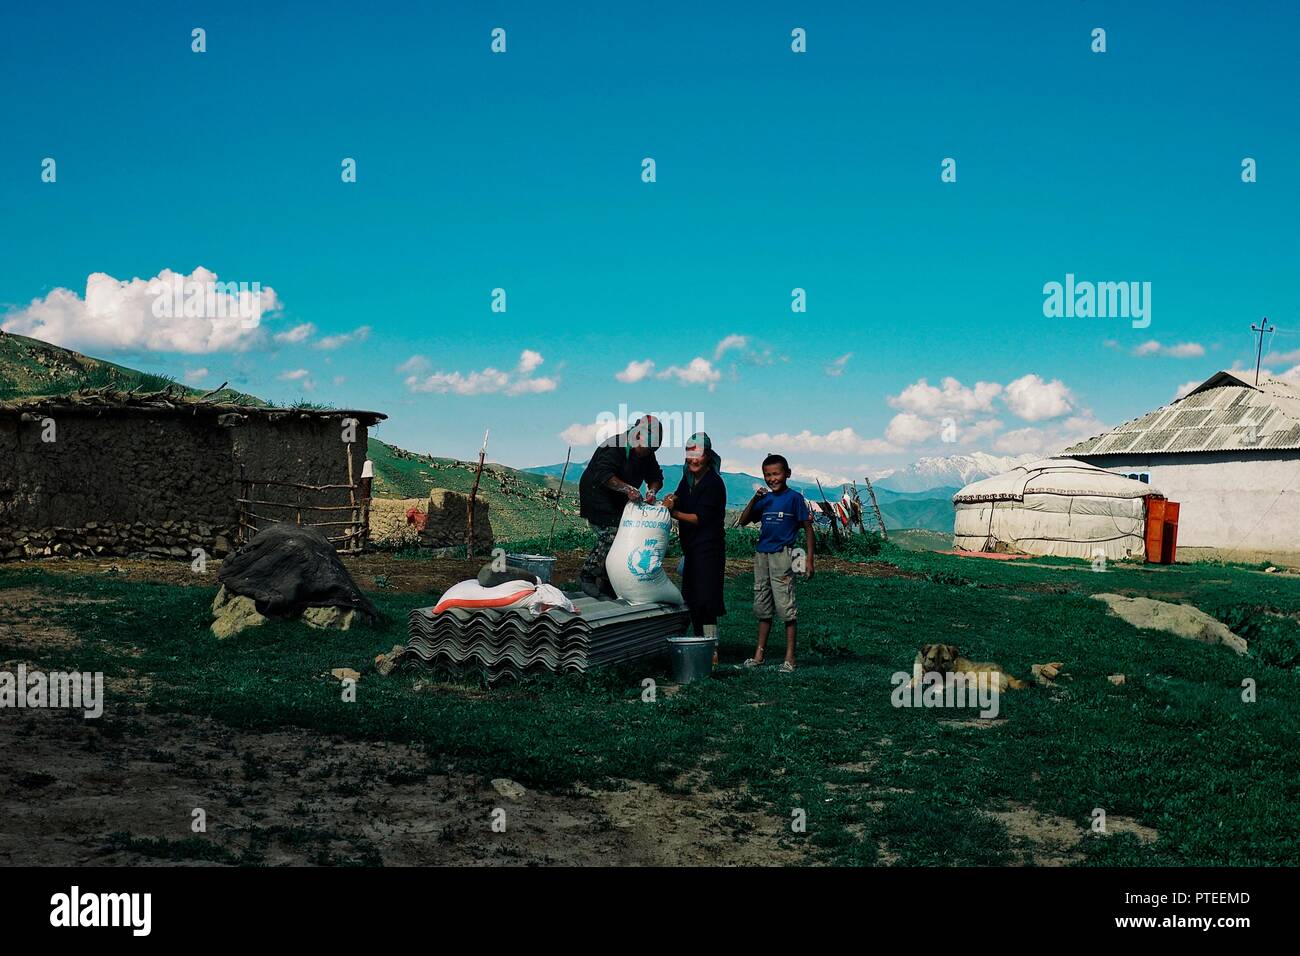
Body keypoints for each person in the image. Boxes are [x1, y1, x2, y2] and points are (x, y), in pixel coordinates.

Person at [737, 453, 814, 673]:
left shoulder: (794, 499)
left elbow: (808, 528)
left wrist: (809, 559)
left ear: (787, 474)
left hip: (784, 554)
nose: (772, 478)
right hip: (762, 555)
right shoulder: (765, 499)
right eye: (767, 475)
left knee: (786, 607)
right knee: (762, 605)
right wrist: (755, 498)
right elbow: (743, 521)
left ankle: (790, 657)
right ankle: (759, 655)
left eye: (776, 474)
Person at [577, 416, 664, 599]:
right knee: (612, 533)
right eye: (645, 449)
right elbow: (604, 474)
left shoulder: (647, 453)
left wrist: (652, 491)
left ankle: (609, 584)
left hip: (619, 499)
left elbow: (656, 477)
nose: (646, 453)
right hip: (597, 494)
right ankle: (588, 576)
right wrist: (627, 488)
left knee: (625, 536)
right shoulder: (615, 445)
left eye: (651, 451)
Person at [662, 432, 726, 665]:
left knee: (706, 601)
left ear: (707, 456)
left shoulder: (714, 484)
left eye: (697, 455)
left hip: (709, 550)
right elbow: (679, 496)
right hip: (692, 549)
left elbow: (701, 519)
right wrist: (671, 499)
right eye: (689, 456)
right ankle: (701, 643)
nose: (692, 461)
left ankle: (712, 648)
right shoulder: (687, 479)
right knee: (692, 597)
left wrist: (673, 512)